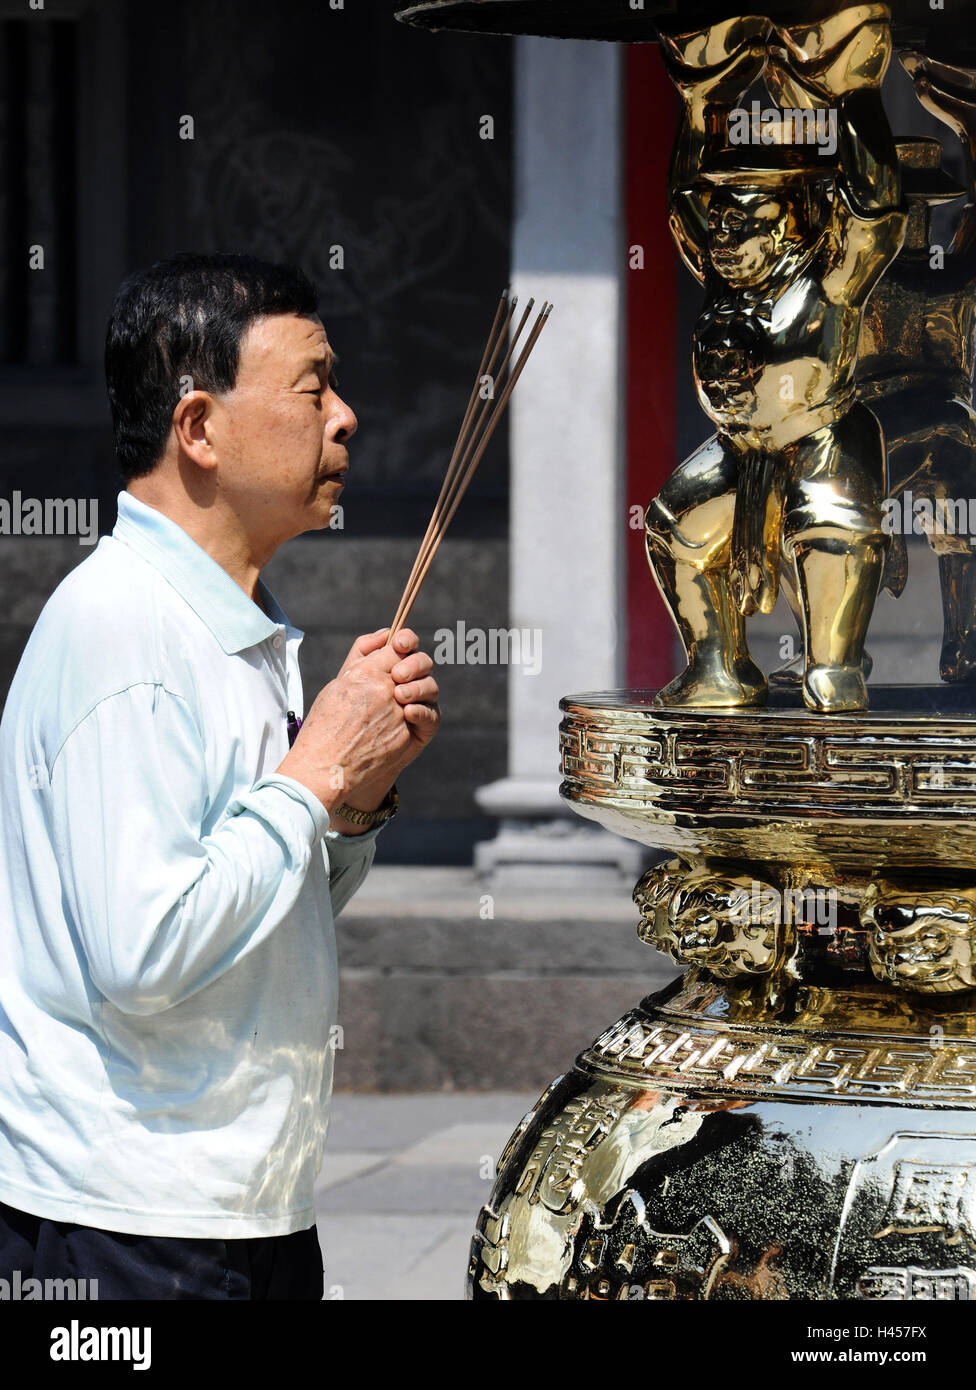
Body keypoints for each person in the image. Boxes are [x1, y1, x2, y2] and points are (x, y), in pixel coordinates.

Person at [0, 252, 441, 1299]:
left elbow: (263, 902)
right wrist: (311, 773)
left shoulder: (239, 625)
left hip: (240, 1205)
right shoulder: (122, 630)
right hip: (123, 1224)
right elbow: (147, 952)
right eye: (311, 387)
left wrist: (352, 801)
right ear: (197, 427)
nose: (346, 416)